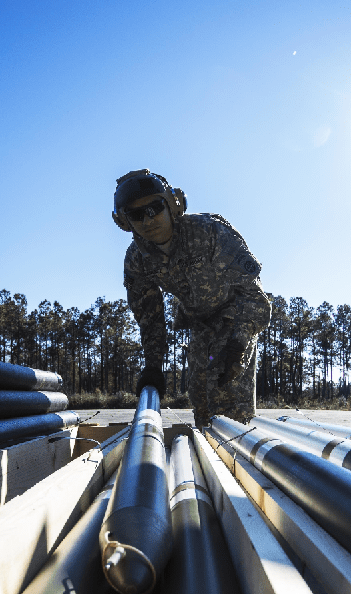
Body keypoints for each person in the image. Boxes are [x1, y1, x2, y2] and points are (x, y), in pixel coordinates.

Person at [113, 169, 271, 427]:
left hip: (235, 319)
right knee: (201, 403)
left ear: (173, 204)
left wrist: (238, 344)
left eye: (154, 208)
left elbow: (253, 294)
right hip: (200, 326)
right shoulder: (137, 260)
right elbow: (150, 317)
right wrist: (153, 366)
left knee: (229, 405)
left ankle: (237, 448)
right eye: (136, 214)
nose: (148, 219)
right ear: (124, 221)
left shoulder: (209, 232)